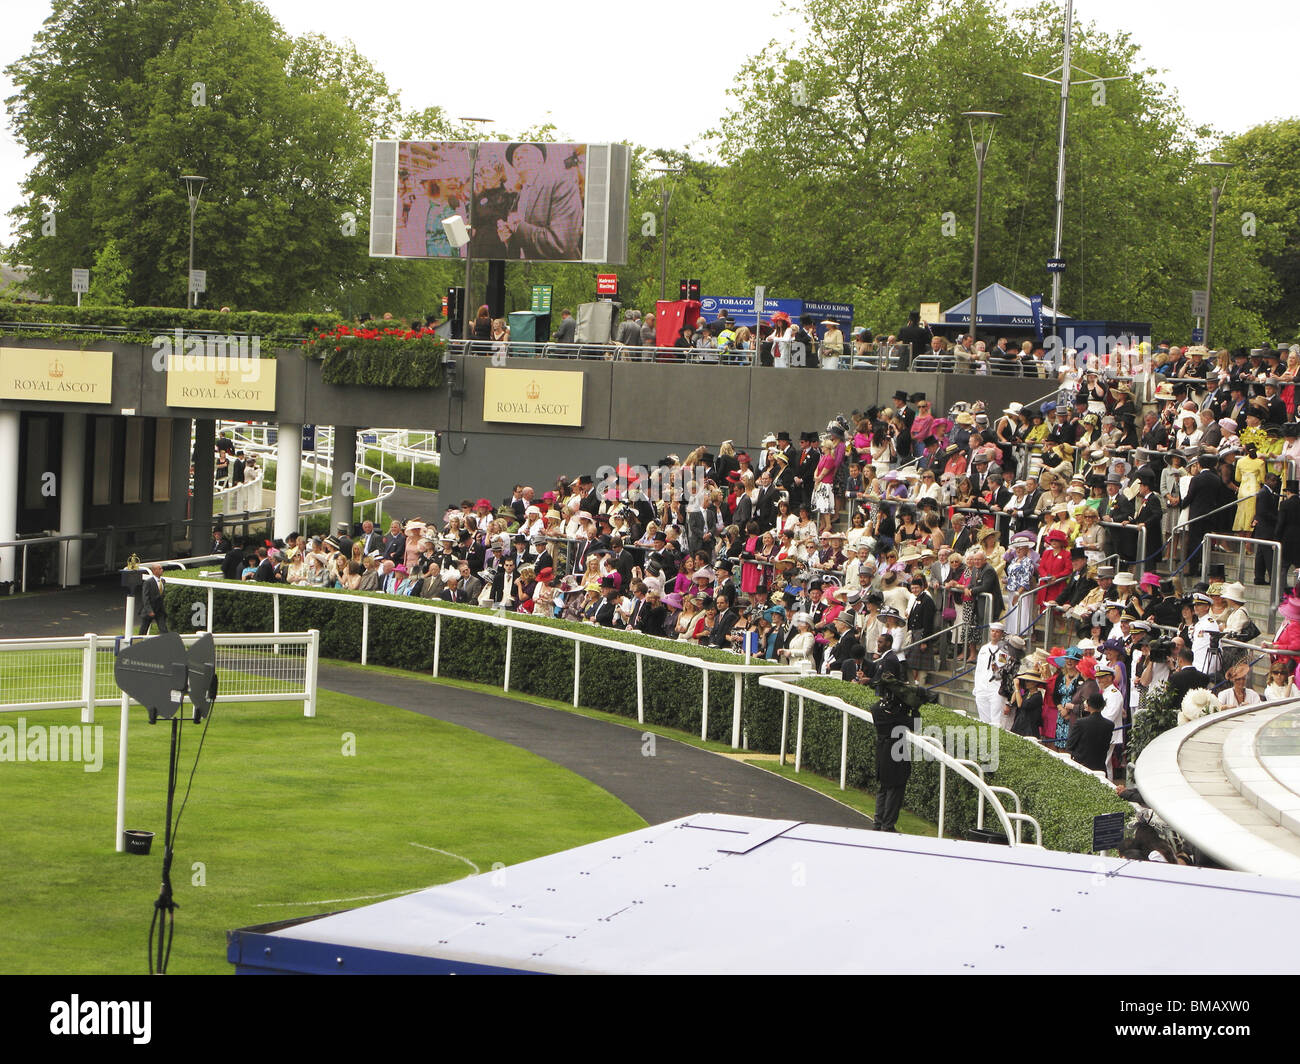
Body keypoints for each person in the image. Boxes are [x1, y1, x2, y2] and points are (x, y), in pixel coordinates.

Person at [498, 143, 583, 259]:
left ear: (540, 159)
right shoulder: (518, 198)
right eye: (515, 156)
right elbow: (522, 249)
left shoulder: (561, 183)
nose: (518, 156)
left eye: (525, 151)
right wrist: (509, 240)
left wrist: (518, 227)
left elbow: (561, 244)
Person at [973, 621, 1007, 729]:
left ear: (1001, 634)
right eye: (992, 631)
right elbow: (978, 670)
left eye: (997, 632)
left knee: (996, 719)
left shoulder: (1004, 649)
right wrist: (977, 686)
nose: (994, 634)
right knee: (983, 719)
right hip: (982, 686)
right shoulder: (983, 649)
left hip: (996, 687)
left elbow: (1003, 668)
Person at [138, 563, 168, 634]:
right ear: (154, 571)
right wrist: (149, 610)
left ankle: (166, 644)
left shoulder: (163, 581)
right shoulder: (148, 582)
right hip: (150, 610)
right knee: (143, 630)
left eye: (161, 568)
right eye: (159, 569)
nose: (162, 570)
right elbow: (145, 597)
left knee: (163, 629)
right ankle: (138, 643)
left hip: (159, 610)